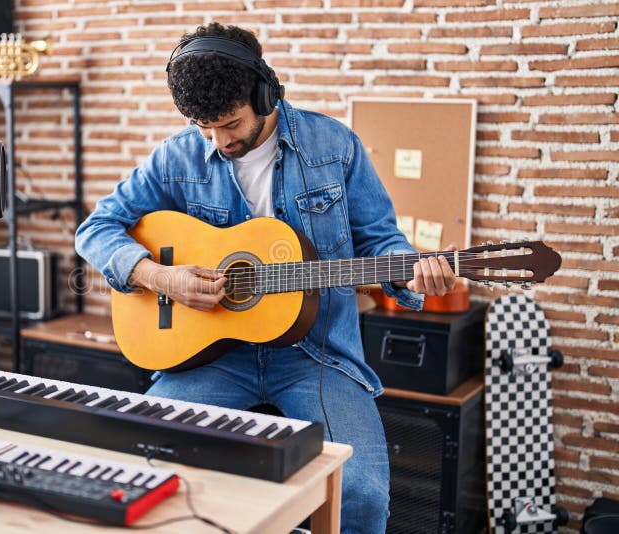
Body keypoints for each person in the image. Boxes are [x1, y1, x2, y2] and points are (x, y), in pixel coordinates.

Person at [76, 22, 457, 534]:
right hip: (210, 358)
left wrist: (410, 276)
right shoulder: (177, 156)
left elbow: (379, 241)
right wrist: (159, 276)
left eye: (229, 123)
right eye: (203, 127)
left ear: (265, 92)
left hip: (317, 356)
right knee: (142, 466)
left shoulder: (335, 147)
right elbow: (95, 228)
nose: (219, 140)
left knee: (361, 493)